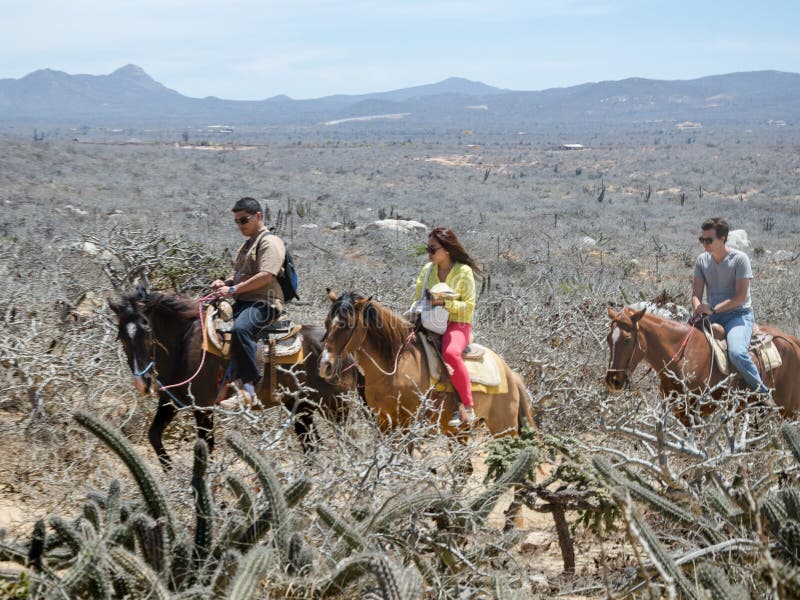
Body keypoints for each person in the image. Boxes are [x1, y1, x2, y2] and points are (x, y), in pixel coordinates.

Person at [212, 197, 286, 408]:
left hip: (264, 303)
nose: (240, 225)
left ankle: (249, 387)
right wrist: (224, 283)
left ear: (258, 216)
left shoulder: (270, 242)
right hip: (243, 301)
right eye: (237, 221)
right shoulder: (247, 244)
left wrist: (233, 289)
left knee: (240, 330)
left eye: (244, 220)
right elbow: (238, 274)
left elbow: (266, 276)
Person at [691, 216, 768, 393]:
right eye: (702, 239)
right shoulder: (702, 260)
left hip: (738, 315)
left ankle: (763, 394)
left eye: (709, 240)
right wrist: (698, 308)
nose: (704, 244)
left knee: (737, 354)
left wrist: (713, 309)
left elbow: (740, 297)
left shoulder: (740, 259)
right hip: (711, 314)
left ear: (722, 239)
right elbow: (696, 294)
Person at [414, 227, 481, 427]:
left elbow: (468, 307)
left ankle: (467, 406)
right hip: (428, 320)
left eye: (433, 249)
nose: (429, 253)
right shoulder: (427, 270)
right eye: (428, 248)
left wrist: (444, 303)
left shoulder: (464, 272)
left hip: (457, 323)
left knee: (451, 353)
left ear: (447, 249)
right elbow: (418, 297)